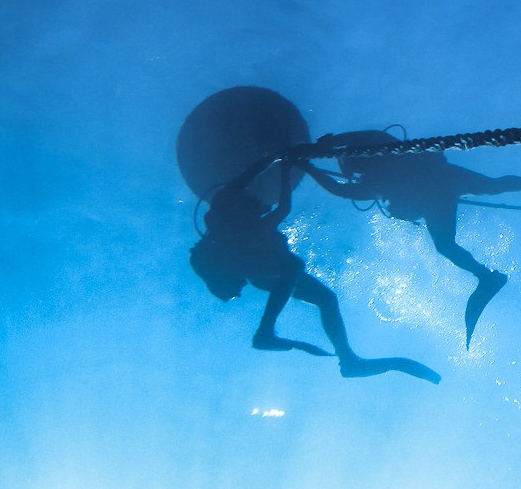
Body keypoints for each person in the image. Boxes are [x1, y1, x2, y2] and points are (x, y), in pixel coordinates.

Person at [297, 130, 521, 346]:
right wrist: (321, 155)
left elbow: (344, 186)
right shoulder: (380, 163)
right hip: (440, 186)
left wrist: (313, 163)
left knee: (451, 237)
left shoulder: (380, 159)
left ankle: (487, 275)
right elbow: (348, 182)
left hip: (434, 190)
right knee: (487, 191)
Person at [189, 152, 441, 383]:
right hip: (262, 269)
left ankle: (348, 360)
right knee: (294, 267)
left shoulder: (227, 208)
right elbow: (281, 208)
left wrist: (278, 158)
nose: (262, 205)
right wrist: (285, 170)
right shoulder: (250, 227)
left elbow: (251, 174)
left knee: (325, 298)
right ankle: (266, 332)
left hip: (261, 274)